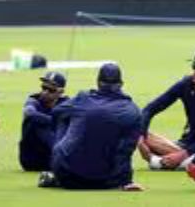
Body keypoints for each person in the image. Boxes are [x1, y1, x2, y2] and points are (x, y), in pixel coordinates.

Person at [39, 63, 144, 191]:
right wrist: (126, 181)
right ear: (121, 84)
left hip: (67, 176)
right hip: (106, 181)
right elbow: (125, 151)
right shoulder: (133, 110)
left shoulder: (82, 98)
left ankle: (56, 167)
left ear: (98, 82)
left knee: (65, 118)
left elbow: (56, 113)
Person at [19, 71, 70, 171]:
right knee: (35, 121)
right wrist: (56, 121)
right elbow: (29, 113)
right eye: (43, 88)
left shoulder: (67, 104)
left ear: (60, 92)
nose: (45, 92)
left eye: (51, 90)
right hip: (31, 159)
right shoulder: (33, 100)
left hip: (52, 159)